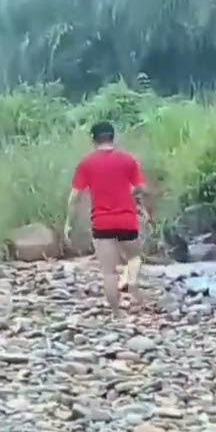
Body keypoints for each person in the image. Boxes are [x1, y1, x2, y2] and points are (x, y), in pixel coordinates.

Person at [68, 120, 153, 313]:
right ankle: (132, 281)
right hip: (127, 220)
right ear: (113, 137)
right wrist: (133, 193)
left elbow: (75, 197)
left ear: (93, 139)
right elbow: (143, 188)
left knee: (109, 272)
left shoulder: (87, 163)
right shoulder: (128, 160)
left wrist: (68, 223)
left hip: (102, 222)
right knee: (134, 258)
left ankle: (116, 314)